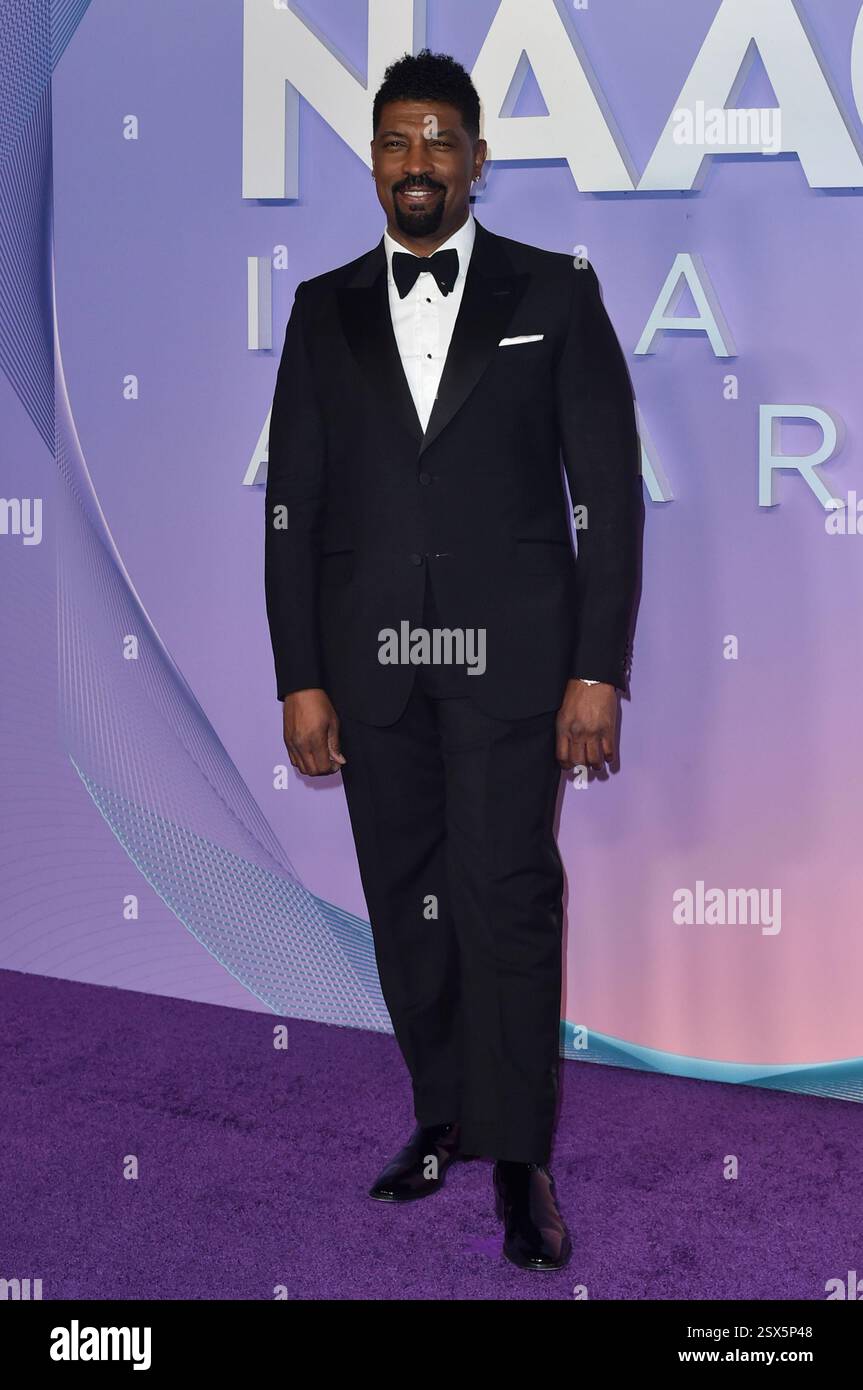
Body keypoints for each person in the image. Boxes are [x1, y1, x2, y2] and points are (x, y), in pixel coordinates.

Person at [264, 48, 642, 1272]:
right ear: (372, 162)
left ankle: (520, 1158)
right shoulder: (320, 309)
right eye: (393, 141)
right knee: (407, 900)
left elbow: (611, 502)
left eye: (437, 139)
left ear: (477, 159)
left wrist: (597, 667)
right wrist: (298, 675)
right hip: (368, 667)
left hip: (514, 663)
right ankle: (439, 1117)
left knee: (507, 899)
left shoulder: (554, 291)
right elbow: (294, 511)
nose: (415, 161)